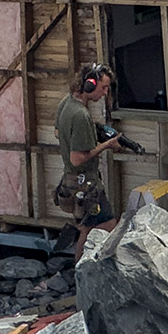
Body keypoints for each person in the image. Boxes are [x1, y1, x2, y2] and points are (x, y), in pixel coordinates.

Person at [54, 62, 123, 261]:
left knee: (87, 230)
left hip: (72, 182)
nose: (105, 92)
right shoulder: (81, 115)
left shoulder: (66, 104)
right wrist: (107, 144)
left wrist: (90, 133)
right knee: (109, 226)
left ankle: (80, 274)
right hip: (87, 184)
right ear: (90, 85)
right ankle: (89, 275)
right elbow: (77, 158)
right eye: (103, 87)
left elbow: (59, 132)